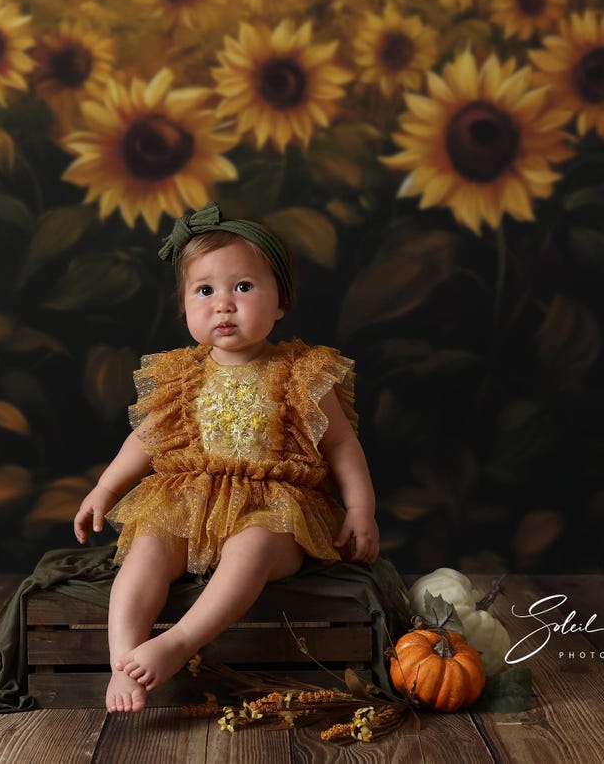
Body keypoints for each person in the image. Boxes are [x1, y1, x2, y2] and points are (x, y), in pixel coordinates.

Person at [73, 202, 380, 713]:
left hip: (275, 512)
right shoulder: (182, 376)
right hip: (188, 504)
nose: (224, 305)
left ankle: (178, 642)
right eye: (205, 290)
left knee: (252, 547)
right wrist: (104, 491)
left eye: (243, 287)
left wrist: (361, 509)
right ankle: (122, 661)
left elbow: (342, 446)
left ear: (281, 301)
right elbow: (144, 441)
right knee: (147, 545)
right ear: (185, 307)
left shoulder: (302, 372)